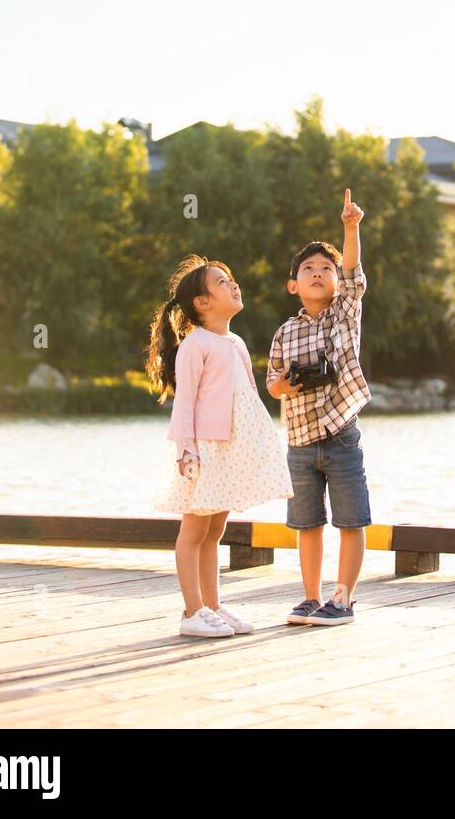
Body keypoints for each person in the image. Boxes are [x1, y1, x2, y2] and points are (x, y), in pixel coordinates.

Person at [146, 254, 293, 638]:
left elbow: (246, 397)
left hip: (229, 449)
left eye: (231, 278)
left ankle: (213, 606)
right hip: (204, 450)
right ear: (203, 302)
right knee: (193, 531)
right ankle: (192, 611)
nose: (234, 284)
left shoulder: (236, 342)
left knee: (214, 531)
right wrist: (186, 450)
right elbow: (186, 402)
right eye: (223, 282)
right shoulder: (197, 344)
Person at [267, 187, 372, 626]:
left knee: (351, 521)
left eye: (325, 269)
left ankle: (343, 599)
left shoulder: (344, 313)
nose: (317, 273)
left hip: (341, 435)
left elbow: (352, 272)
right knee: (306, 525)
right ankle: (311, 597)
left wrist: (350, 228)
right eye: (307, 269)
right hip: (299, 443)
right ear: (293, 285)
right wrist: (284, 387)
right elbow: (270, 383)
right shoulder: (283, 332)